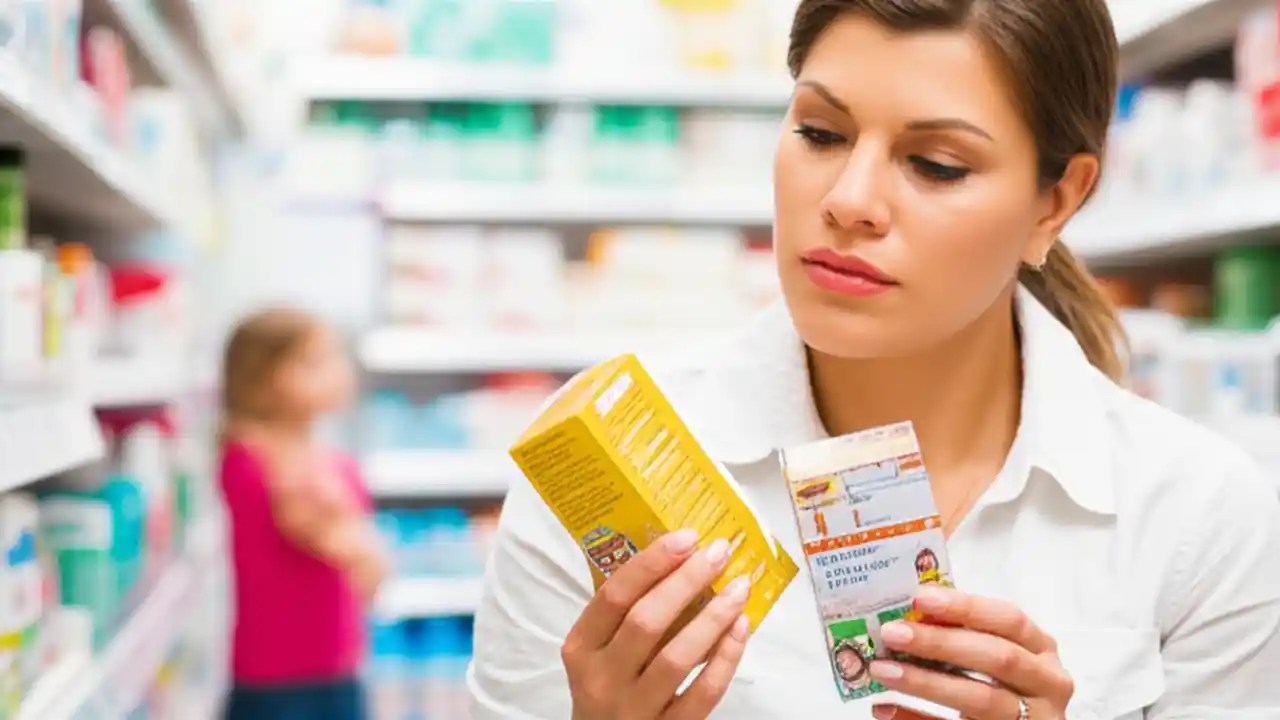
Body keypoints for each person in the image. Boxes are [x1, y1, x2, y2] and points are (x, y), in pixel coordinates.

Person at [469, 0, 1280, 718]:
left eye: (936, 165)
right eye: (820, 133)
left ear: (1057, 200)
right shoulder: (605, 476)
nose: (849, 200)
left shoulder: (1200, 518)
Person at [218, 309, 389, 720]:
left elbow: (366, 571)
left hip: (336, 662)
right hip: (275, 678)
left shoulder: (335, 463)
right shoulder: (251, 458)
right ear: (260, 378)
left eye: (335, 357)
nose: (336, 373)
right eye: (313, 363)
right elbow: (326, 533)